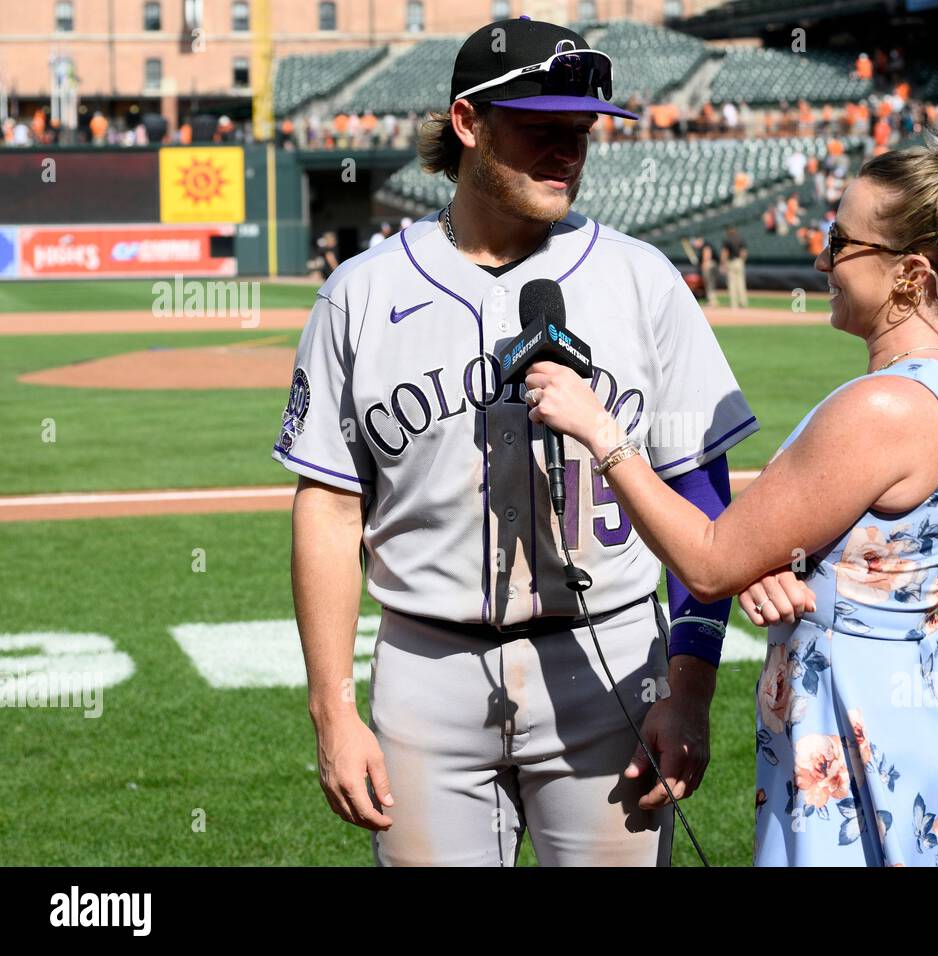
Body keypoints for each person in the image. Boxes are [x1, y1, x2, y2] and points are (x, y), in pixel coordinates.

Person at [275, 16, 758, 868]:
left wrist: (691, 690)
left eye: (581, 133)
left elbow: (703, 497)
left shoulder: (643, 281)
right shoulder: (360, 294)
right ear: (467, 124)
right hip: (427, 668)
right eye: (542, 130)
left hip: (611, 659)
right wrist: (331, 710)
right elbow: (327, 506)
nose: (568, 153)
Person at [524, 126, 938, 867]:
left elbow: (707, 564)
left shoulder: (882, 408)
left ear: (911, 274)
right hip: (884, 713)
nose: (823, 257)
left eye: (842, 242)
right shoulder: (930, 390)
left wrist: (602, 434)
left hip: (853, 727)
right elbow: (819, 542)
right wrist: (776, 562)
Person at [721, 225, 749, 308]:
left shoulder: (727, 240)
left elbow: (724, 253)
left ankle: (734, 303)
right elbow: (744, 252)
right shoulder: (740, 239)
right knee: (741, 283)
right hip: (739, 261)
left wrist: (723, 264)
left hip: (731, 262)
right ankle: (743, 302)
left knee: (732, 284)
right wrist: (742, 261)